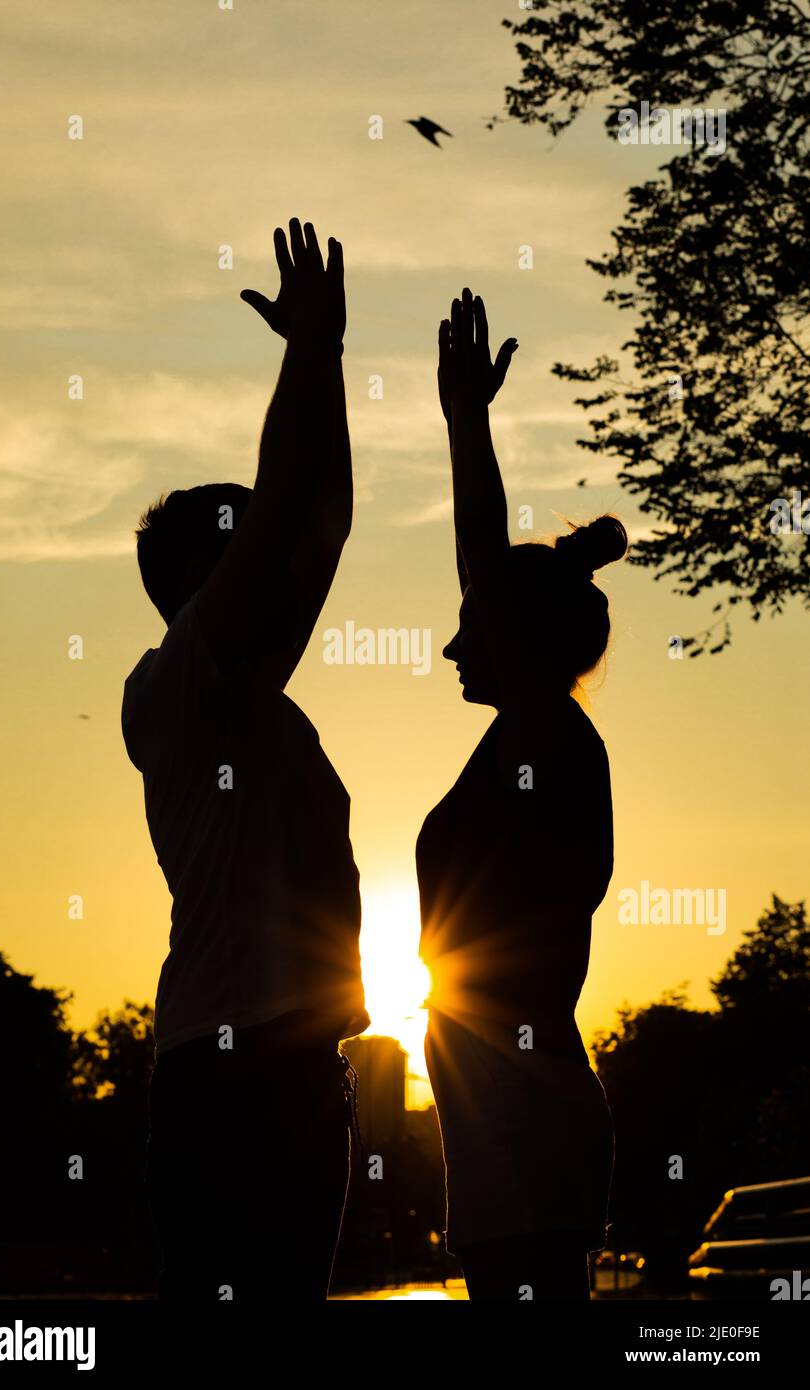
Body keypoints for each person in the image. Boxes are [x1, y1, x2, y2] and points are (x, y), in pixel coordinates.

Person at [121, 219, 370, 1301]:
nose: (258, 550)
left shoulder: (263, 707)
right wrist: (300, 355)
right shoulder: (172, 687)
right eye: (234, 540)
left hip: (298, 1063)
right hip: (225, 1075)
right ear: (199, 577)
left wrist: (326, 353)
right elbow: (286, 518)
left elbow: (321, 520)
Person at [417, 288, 626, 1302]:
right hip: (501, 1107)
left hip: (520, 1113)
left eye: (473, 625)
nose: (453, 646)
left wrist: (466, 423)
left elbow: (483, 569)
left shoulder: (546, 735)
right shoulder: (522, 743)